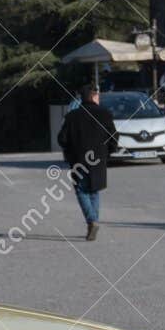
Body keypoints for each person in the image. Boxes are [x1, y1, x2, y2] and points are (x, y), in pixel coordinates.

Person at [57, 84, 117, 241]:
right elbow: (114, 137)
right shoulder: (105, 114)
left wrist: (70, 153)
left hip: (78, 160)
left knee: (81, 191)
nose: (99, 97)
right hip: (99, 159)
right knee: (94, 190)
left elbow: (62, 139)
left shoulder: (72, 116)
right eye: (97, 95)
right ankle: (93, 222)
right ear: (93, 96)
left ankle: (92, 221)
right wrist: (108, 152)